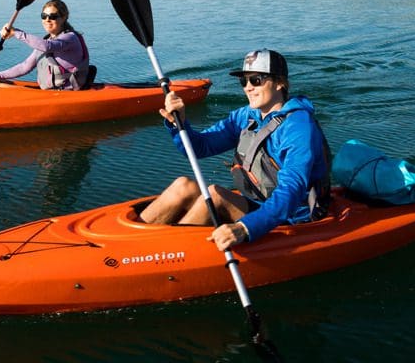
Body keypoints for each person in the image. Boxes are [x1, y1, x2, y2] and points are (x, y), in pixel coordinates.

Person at [139, 49, 329, 252]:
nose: (248, 87)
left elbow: (291, 191)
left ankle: (168, 254)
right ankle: (137, 244)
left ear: (280, 83)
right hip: (257, 201)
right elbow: (199, 148)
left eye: (256, 80)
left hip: (292, 216)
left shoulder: (298, 127)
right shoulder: (246, 116)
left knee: (215, 195)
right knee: (183, 186)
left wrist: (245, 228)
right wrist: (179, 124)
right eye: (244, 81)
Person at [0, 0, 92, 89]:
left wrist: (15, 32)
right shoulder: (45, 42)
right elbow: (24, 67)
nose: (47, 19)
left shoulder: (70, 38)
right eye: (44, 16)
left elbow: (47, 46)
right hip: (49, 92)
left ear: (64, 18)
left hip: (66, 93)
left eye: (53, 16)